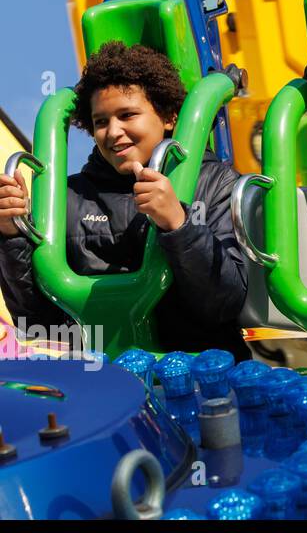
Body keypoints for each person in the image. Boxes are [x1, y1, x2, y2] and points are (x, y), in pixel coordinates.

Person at [0, 41, 249, 357]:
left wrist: (178, 223)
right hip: (106, 383)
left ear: (169, 116)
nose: (113, 132)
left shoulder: (213, 183)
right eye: (101, 121)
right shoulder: (69, 198)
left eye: (127, 115)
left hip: (199, 377)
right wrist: (11, 236)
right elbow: (40, 323)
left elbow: (223, 302)